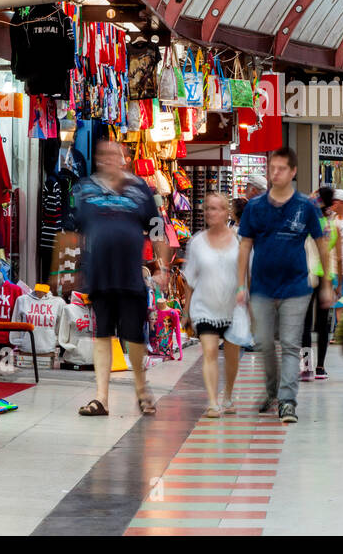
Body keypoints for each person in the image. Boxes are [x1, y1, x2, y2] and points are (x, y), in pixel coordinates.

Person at [237, 147, 334, 424]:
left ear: (293, 172)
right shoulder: (255, 207)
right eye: (272, 168)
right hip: (262, 287)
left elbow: (322, 244)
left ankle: (288, 401)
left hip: (296, 286)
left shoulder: (306, 207)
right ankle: (272, 392)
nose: (275, 173)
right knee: (265, 343)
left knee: (290, 344)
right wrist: (240, 285)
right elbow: (245, 246)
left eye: (281, 168)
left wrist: (326, 283)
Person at [74, 138, 170, 417]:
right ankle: (101, 398)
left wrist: (160, 268)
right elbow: (74, 229)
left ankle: (142, 389)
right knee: (102, 335)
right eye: (102, 154)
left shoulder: (139, 189)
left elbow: (156, 228)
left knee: (135, 338)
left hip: (131, 276)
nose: (107, 158)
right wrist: (67, 270)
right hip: (100, 276)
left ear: (123, 158)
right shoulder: (85, 189)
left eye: (113, 154)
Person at [181, 193, 242, 418]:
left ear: (226, 212)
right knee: (209, 351)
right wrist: (186, 311)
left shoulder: (238, 240)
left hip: (233, 308)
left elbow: (246, 274)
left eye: (216, 209)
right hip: (204, 306)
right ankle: (213, 401)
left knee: (232, 355)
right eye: (207, 208)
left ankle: (228, 394)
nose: (210, 213)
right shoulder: (197, 242)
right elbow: (189, 278)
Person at [301, 186, 339, 381]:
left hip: (308, 274)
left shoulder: (309, 221)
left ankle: (306, 367)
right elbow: (333, 251)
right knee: (323, 324)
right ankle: (321, 367)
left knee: (305, 324)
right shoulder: (331, 225)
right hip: (326, 275)